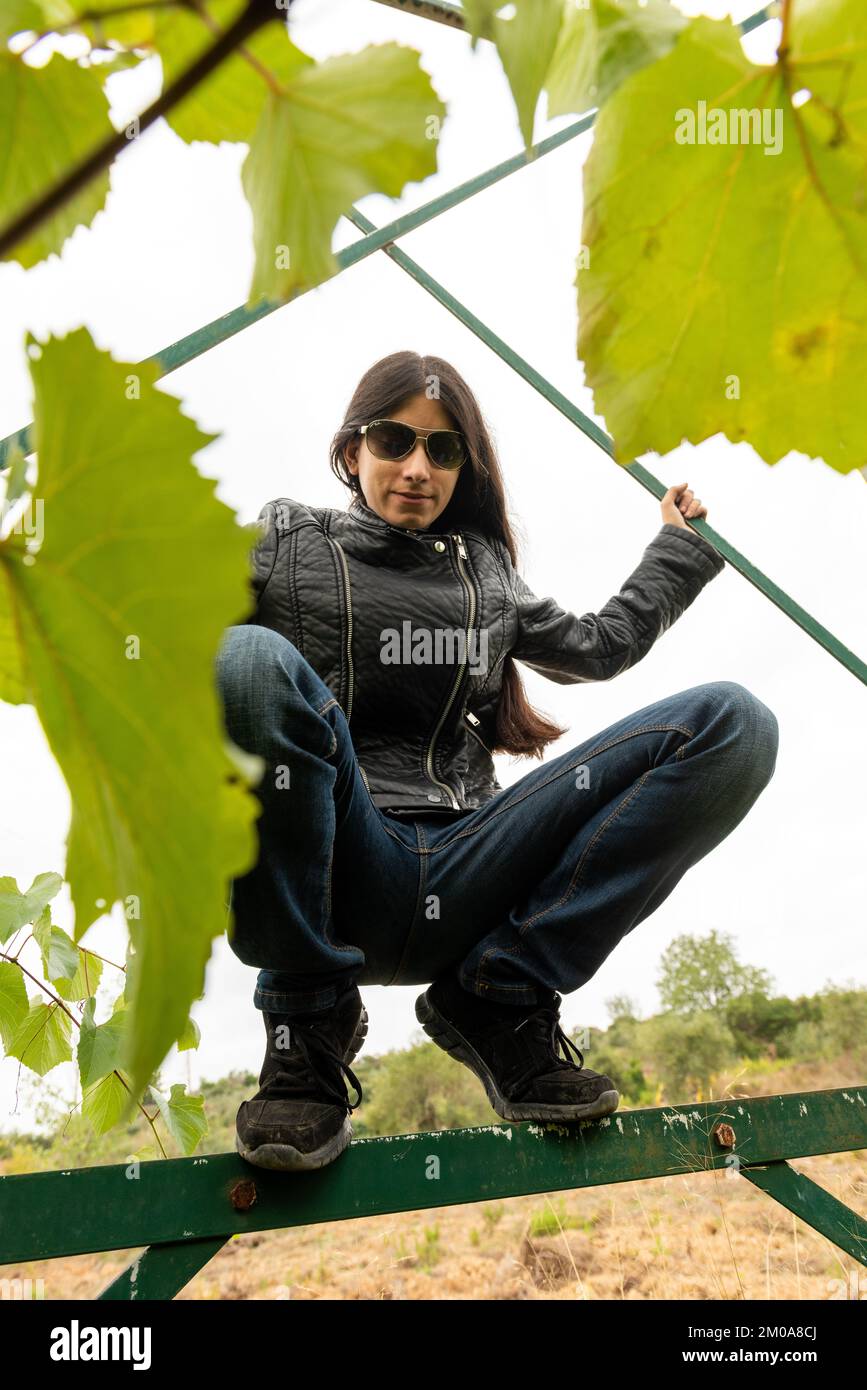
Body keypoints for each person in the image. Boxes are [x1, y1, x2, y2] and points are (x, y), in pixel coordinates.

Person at [214, 350, 779, 1173]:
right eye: (392, 440)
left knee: (734, 723)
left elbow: (600, 645)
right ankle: (306, 1028)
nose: (416, 467)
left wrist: (674, 548)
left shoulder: (486, 574)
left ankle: (501, 1000)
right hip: (340, 864)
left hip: (469, 865)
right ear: (351, 451)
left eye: (443, 451)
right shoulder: (282, 540)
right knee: (243, 659)